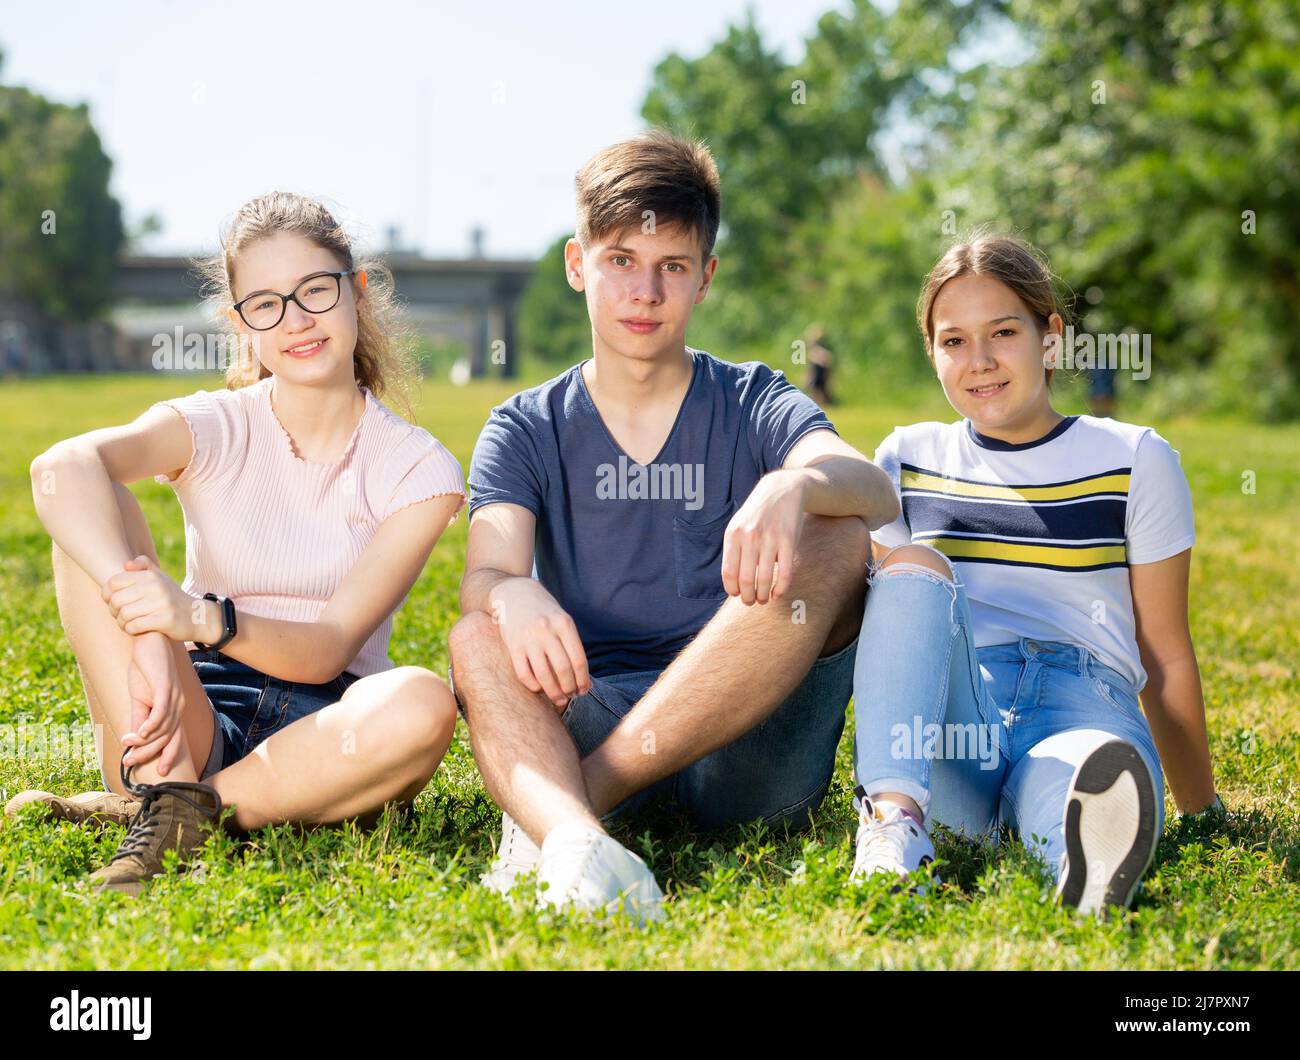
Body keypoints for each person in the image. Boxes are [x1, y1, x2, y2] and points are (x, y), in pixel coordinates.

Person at [448, 131, 899, 921]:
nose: (645, 293)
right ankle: (581, 838)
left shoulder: (754, 397)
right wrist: (508, 594)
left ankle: (569, 817)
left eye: (673, 268)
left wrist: (794, 484)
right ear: (577, 264)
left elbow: (874, 491)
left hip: (748, 748)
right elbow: (486, 574)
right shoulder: (524, 426)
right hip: (591, 704)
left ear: (705, 278)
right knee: (475, 634)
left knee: (838, 530)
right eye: (621, 260)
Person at [10, 192, 467, 895]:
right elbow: (59, 470)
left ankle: (173, 814)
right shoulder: (218, 425)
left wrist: (193, 617)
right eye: (266, 304)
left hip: (329, 729)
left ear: (359, 293)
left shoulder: (417, 467)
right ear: (241, 323)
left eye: (316, 290)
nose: (297, 320)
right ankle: (170, 795)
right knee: (94, 518)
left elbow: (327, 650)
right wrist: (154, 643)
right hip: (188, 716)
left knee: (424, 701)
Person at [848, 231, 1219, 914]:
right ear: (931, 352)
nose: (980, 361)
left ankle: (1081, 859)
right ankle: (896, 826)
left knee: (1086, 772)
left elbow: (1164, 650)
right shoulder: (904, 457)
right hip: (958, 715)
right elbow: (898, 632)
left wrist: (1204, 809)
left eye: (1003, 333)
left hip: (1082, 700)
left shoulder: (1133, 457)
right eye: (953, 340)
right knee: (911, 570)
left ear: (1051, 337)